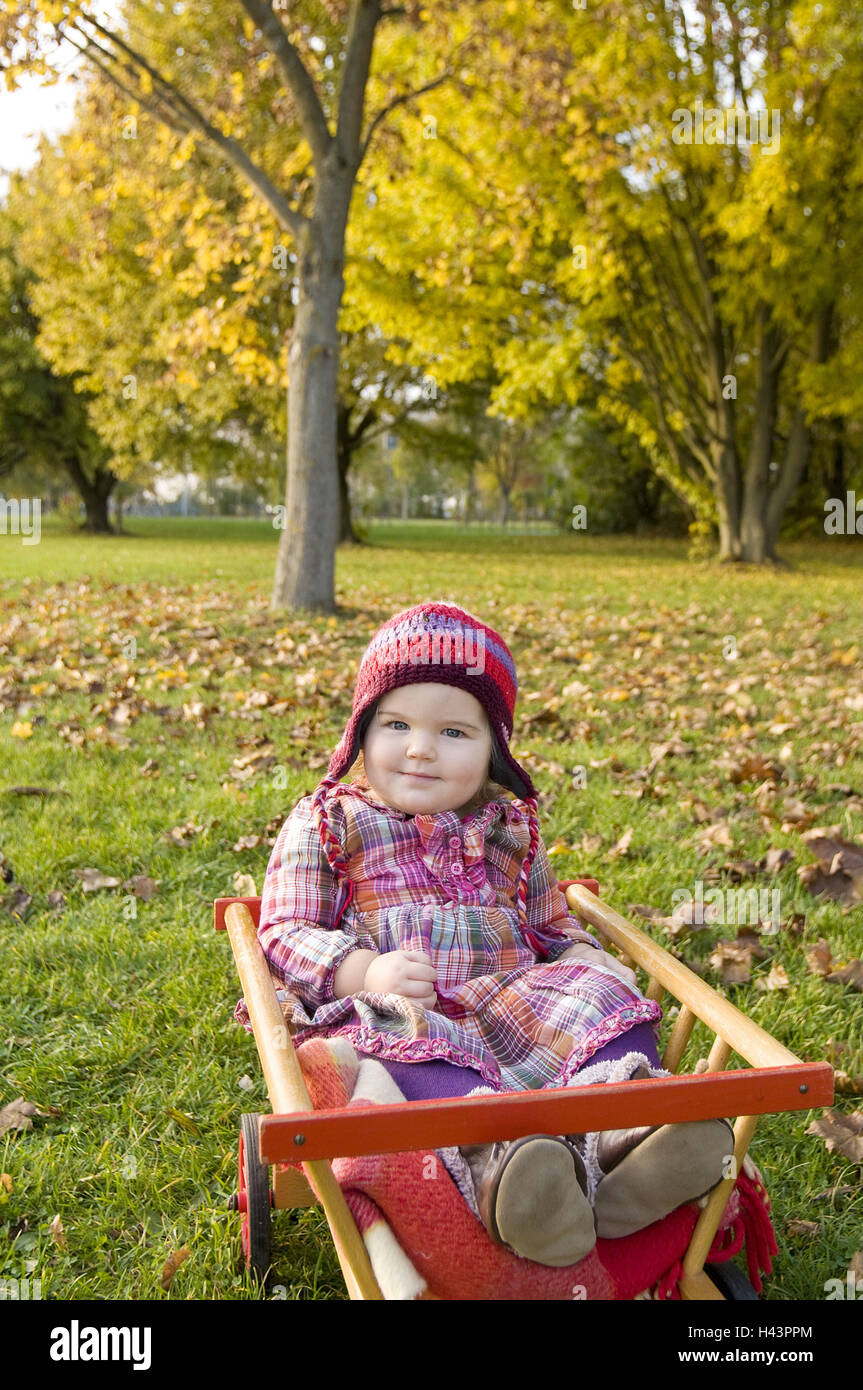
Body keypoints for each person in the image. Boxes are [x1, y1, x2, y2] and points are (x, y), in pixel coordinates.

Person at [234, 600, 731, 1267]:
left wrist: (587, 958)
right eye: (397, 724)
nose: (418, 747)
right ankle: (508, 1172)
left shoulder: (509, 828)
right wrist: (363, 971)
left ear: (493, 749)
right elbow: (287, 931)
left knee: (599, 997)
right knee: (396, 1058)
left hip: (512, 1000)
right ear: (360, 732)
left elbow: (546, 922)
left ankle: (618, 1142)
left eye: (453, 733)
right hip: (404, 1009)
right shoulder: (331, 821)